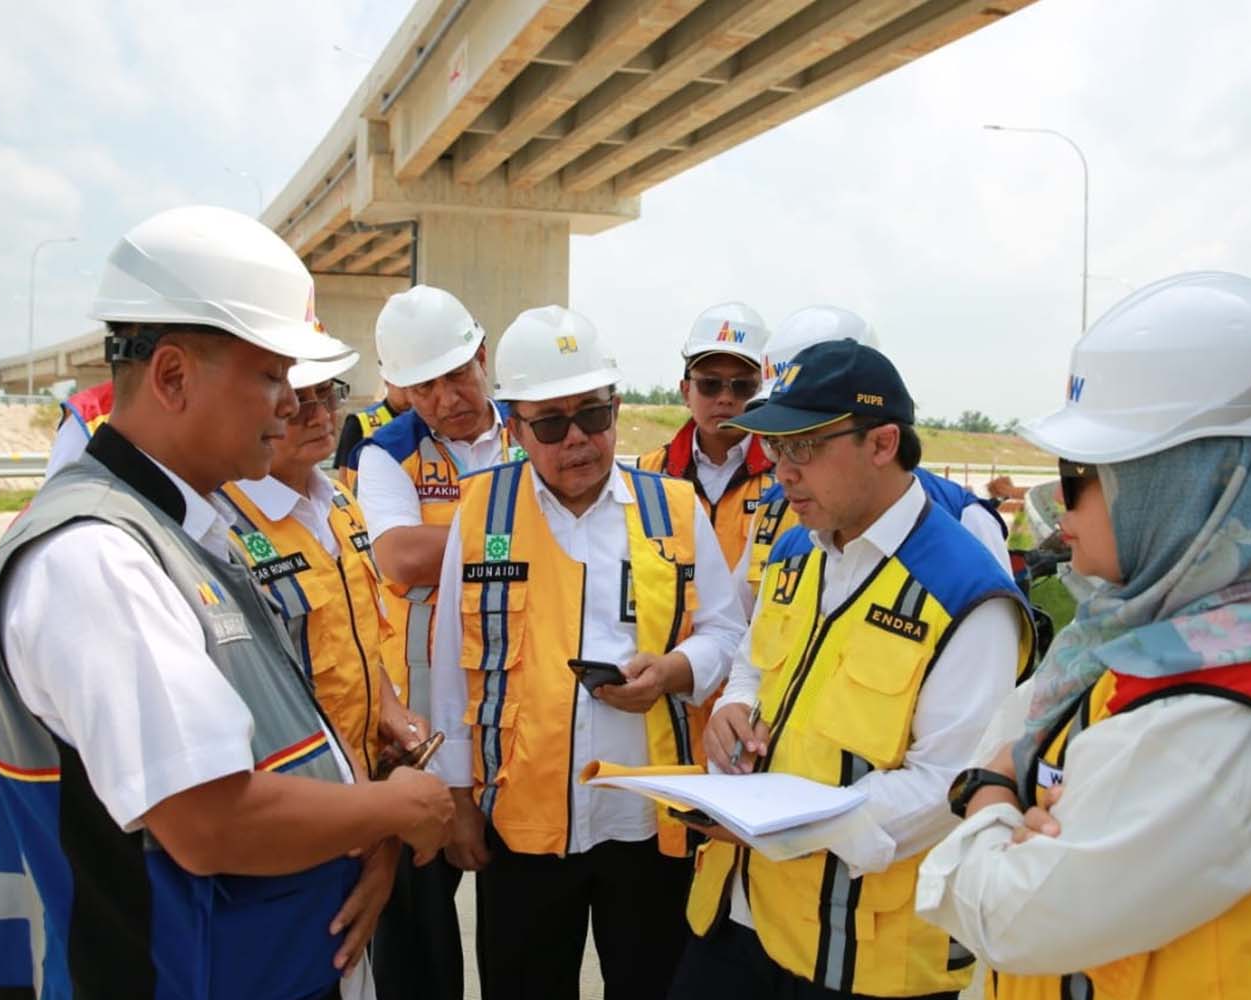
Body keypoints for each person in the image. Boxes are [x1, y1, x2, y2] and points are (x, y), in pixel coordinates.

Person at [0, 205, 453, 1000]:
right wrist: (391, 810)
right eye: (271, 376)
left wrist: (365, 828)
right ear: (172, 377)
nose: (292, 405)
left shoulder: (188, 529)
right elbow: (210, 823)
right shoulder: (99, 558)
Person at [915, 271, 1251, 999]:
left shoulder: (1226, 712)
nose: (1059, 503)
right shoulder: (1167, 632)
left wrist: (990, 795)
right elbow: (1010, 740)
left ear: (1181, 488)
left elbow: (1008, 916)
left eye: (1080, 472)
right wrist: (1009, 794)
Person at [671, 338, 1032, 1000]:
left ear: (883, 443)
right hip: (736, 912)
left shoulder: (966, 593)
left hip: (860, 951)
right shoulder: (794, 551)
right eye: (776, 448)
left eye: (805, 447)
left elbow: (947, 784)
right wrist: (731, 708)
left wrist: (783, 822)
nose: (782, 472)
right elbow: (753, 666)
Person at [432, 304, 746, 1000]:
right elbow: (454, 670)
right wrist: (458, 800)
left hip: (649, 823)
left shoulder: (675, 509)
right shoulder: (480, 513)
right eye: (550, 423)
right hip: (521, 823)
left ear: (617, 409)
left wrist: (675, 671)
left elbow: (727, 634)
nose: (577, 439)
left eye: (594, 416)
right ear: (515, 427)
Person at [351, 284, 516, 1000]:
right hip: (421, 721)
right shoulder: (385, 453)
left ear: (483, 356)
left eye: (456, 375)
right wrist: (521, 539)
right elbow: (399, 556)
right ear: (400, 389)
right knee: (417, 929)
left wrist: (451, 543)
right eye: (424, 387)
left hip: (515, 704)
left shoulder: (531, 430)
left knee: (522, 919)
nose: (446, 398)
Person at [219, 351, 419, 778]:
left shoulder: (342, 504)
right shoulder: (223, 529)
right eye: (297, 404)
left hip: (365, 776)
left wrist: (389, 708)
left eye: (326, 395)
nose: (321, 416)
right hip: (302, 783)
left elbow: (359, 637)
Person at [734, 307, 1011, 615]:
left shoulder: (963, 517)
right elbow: (741, 626)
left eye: (803, 441)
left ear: (881, 442)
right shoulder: (773, 512)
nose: (784, 471)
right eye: (775, 441)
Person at [638, 303, 774, 571]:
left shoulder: (786, 476)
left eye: (742, 386)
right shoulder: (649, 475)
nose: (725, 398)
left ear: (762, 392)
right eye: (710, 384)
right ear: (685, 391)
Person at [333, 377, 411, 490]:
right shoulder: (359, 422)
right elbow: (344, 479)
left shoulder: (425, 421)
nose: (410, 393)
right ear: (387, 381)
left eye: (415, 386)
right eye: (404, 386)